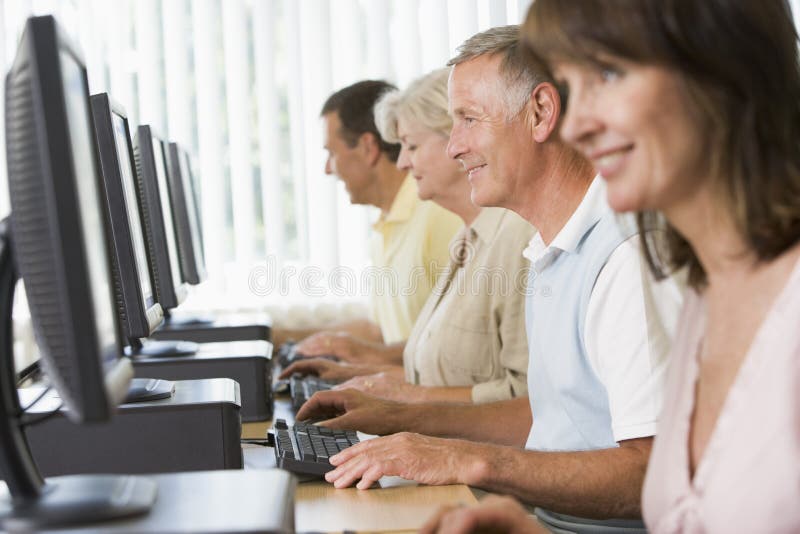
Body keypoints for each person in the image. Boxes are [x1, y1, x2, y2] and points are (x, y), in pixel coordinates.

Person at [295, 26, 683, 524]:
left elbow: (650, 473)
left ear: (541, 113)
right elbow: (545, 417)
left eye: (468, 120)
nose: (454, 147)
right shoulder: (550, 247)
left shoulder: (625, 258)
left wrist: (466, 460)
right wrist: (402, 420)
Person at [517, 1, 800, 532]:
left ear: (724, 69)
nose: (574, 127)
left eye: (608, 72)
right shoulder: (704, 291)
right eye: (569, 84)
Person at [282, 68, 534, 404]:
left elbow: (520, 394)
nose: (402, 162)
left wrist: (405, 396)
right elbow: (434, 357)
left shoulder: (482, 228)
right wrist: (363, 373)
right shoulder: (465, 236)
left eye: (411, 145)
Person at [271, 80, 461, 353]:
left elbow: (458, 350)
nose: (327, 169)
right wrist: (279, 338)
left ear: (368, 147)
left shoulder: (439, 212)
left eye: (332, 153)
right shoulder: (387, 225)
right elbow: (380, 331)